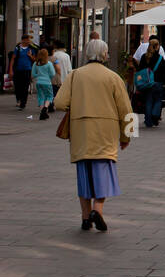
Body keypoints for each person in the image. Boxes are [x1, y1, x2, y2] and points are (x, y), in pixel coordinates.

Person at [54, 38, 134, 233]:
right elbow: (126, 109)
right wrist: (128, 136)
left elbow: (59, 103)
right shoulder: (113, 77)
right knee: (103, 171)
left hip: (81, 130)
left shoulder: (75, 75)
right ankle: (97, 210)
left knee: (84, 172)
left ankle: (84, 217)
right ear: (105, 54)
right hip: (106, 131)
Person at [7, 33, 36, 109]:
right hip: (18, 70)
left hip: (27, 70)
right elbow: (13, 59)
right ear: (23, 40)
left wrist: (30, 56)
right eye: (27, 39)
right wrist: (11, 70)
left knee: (25, 86)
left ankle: (23, 103)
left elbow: (35, 59)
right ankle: (18, 99)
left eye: (29, 39)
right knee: (18, 86)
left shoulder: (31, 48)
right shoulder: (18, 48)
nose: (29, 41)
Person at [32, 48, 57, 121]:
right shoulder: (49, 64)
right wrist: (48, 77)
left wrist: (39, 76)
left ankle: (42, 112)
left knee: (41, 96)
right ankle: (45, 108)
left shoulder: (35, 63)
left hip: (39, 82)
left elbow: (33, 74)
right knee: (49, 96)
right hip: (47, 82)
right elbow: (53, 73)